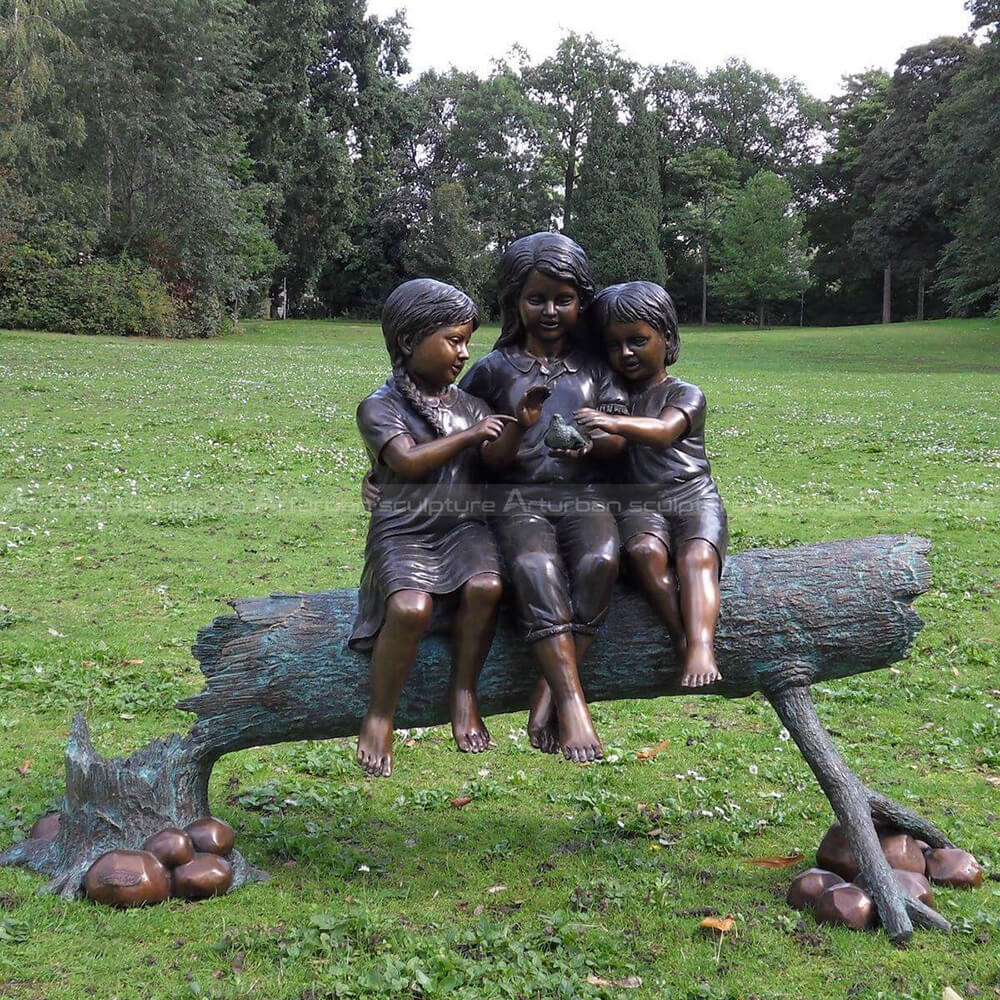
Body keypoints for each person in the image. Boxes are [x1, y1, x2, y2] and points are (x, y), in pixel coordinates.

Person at [350, 278, 544, 777]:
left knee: (487, 585)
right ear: (411, 340)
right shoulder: (380, 406)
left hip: (463, 527)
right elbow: (408, 461)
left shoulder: (468, 406)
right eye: (453, 340)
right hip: (405, 530)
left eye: (466, 342)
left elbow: (495, 458)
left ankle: (464, 691)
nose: (462, 353)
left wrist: (516, 424)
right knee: (409, 607)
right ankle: (380, 714)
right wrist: (472, 435)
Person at [459, 232, 628, 761]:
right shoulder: (493, 370)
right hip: (517, 501)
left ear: (582, 300)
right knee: (535, 566)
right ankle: (574, 706)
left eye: (564, 299)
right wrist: (519, 425)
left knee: (601, 559)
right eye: (536, 299)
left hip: (585, 495)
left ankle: (548, 691)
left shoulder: (596, 368)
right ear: (514, 301)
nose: (551, 311)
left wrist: (592, 441)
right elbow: (470, 446)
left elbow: (622, 437)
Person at [575, 281, 728, 688]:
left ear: (668, 338)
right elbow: (611, 447)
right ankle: (679, 635)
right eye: (614, 345)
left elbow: (662, 431)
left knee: (696, 558)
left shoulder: (686, 393)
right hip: (641, 502)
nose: (626, 353)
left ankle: (700, 644)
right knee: (643, 552)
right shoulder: (616, 395)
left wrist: (612, 422)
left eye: (638, 340)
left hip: (691, 496)